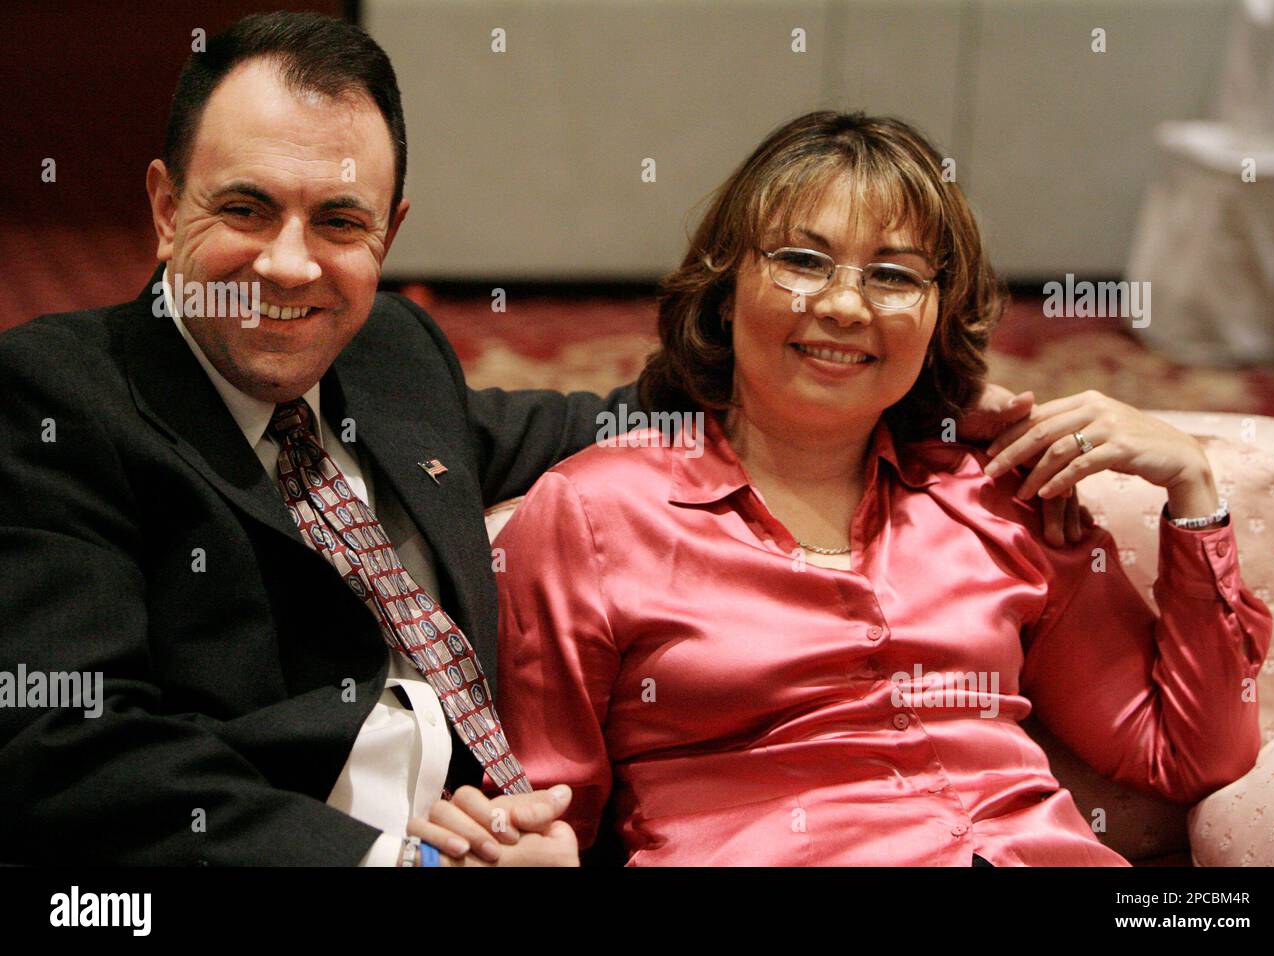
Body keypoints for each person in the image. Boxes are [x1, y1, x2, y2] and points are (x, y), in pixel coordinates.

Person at [0, 14, 1053, 867]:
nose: (289, 265)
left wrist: (907, 390)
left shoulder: (389, 352)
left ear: (390, 235)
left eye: (337, 221)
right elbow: (67, 744)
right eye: (244, 208)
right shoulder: (62, 398)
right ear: (160, 205)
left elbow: (613, 417)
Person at [493, 112, 1274, 866]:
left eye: (893, 276)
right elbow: (552, 812)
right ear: (725, 287)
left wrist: (1193, 492)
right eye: (802, 261)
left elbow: (1189, 755)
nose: (842, 305)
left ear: (937, 317)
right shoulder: (595, 515)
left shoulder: (996, 497)